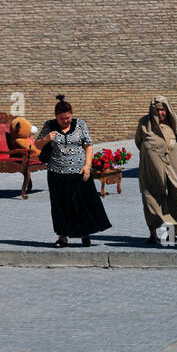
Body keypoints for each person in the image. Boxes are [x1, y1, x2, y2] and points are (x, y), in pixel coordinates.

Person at [34, 93, 110, 247]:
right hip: (57, 173)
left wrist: (87, 166)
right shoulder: (49, 125)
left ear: (71, 114)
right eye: (62, 118)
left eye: (68, 117)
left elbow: (88, 145)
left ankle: (85, 234)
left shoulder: (80, 125)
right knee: (59, 205)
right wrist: (46, 139)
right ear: (56, 116)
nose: (65, 121)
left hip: (78, 172)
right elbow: (37, 145)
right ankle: (62, 237)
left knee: (82, 204)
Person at [134, 95, 177, 245]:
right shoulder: (144, 123)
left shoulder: (176, 123)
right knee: (151, 200)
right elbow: (138, 142)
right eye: (157, 110)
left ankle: (171, 235)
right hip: (151, 170)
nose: (160, 113)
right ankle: (153, 234)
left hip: (173, 169)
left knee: (174, 199)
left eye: (163, 110)